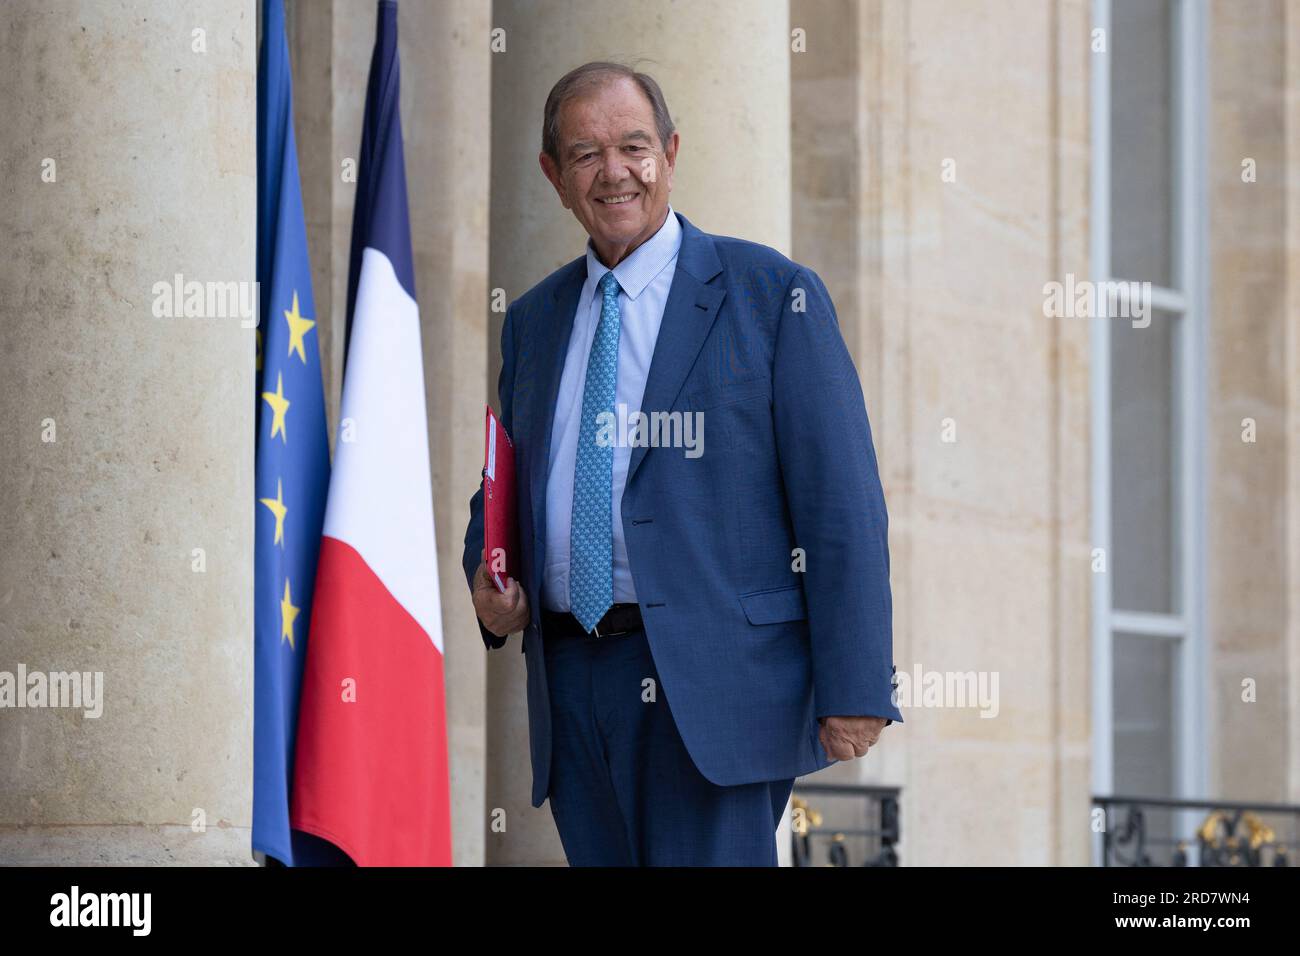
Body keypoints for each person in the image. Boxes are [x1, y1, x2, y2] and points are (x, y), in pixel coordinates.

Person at [462, 61, 901, 866]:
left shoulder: (772, 294)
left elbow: (841, 504)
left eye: (633, 146)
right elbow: (505, 487)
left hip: (713, 685)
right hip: (571, 680)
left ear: (668, 151)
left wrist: (857, 687)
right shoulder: (532, 322)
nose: (615, 172)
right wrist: (488, 583)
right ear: (553, 177)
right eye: (586, 154)